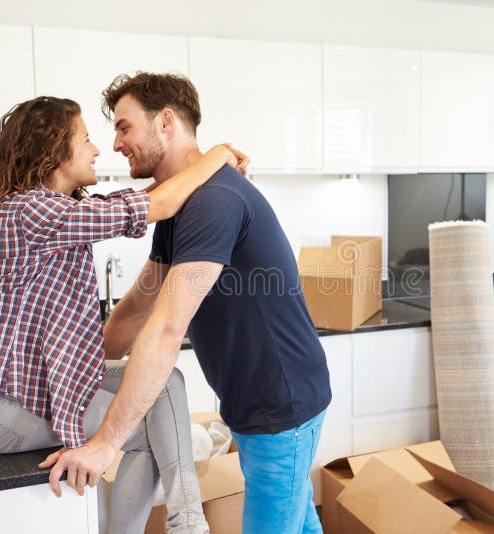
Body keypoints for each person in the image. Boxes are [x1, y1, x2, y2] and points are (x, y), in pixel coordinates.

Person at [0, 95, 248, 534]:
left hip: (19, 385)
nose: (97, 149)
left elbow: (141, 200)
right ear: (52, 148)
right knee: (141, 431)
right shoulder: (32, 211)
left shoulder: (49, 211)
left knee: (166, 381)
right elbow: (155, 206)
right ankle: (186, 524)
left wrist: (201, 169)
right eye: (84, 139)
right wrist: (217, 156)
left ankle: (187, 520)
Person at [45, 73, 332, 534]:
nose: (115, 144)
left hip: (281, 407)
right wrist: (79, 380)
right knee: (299, 523)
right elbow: (137, 309)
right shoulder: (181, 205)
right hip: (259, 402)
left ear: (165, 122)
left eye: (124, 127)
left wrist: (105, 443)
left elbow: (164, 329)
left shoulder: (213, 200)